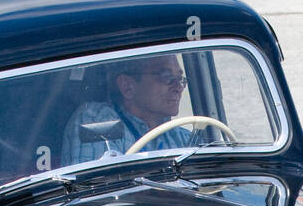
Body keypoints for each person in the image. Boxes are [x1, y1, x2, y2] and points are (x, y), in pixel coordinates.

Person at [61, 55, 200, 166]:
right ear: (128, 86)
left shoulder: (183, 138)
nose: (179, 87)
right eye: (167, 77)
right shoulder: (97, 119)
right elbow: (99, 194)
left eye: (180, 79)